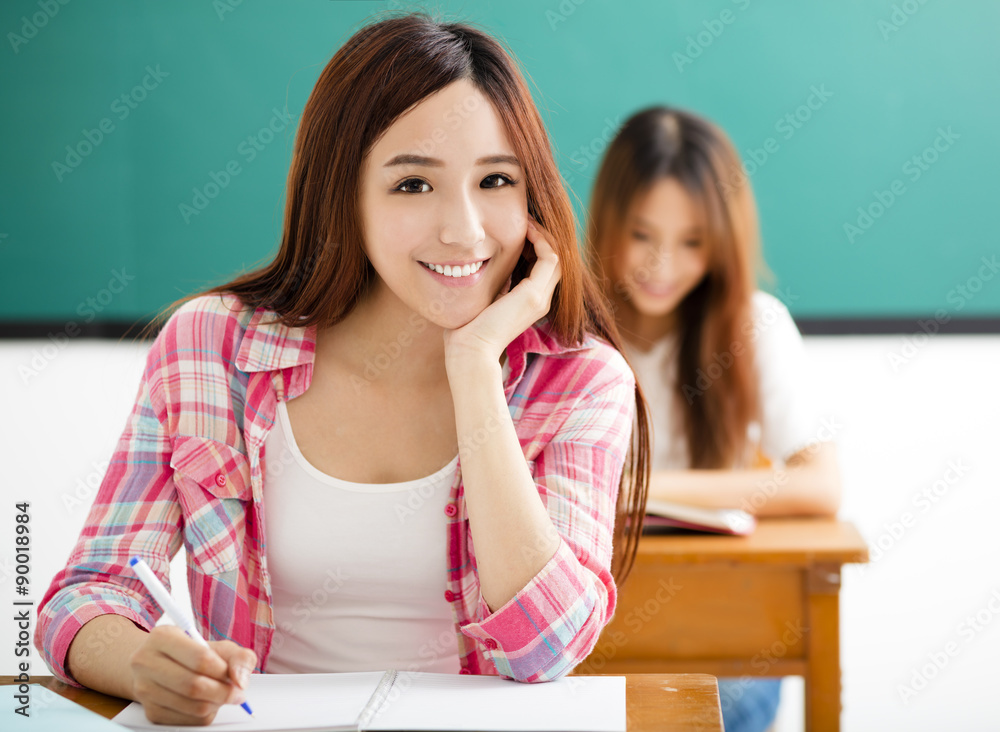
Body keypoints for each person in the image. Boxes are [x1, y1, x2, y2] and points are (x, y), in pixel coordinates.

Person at [35, 13, 651, 726]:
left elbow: (548, 647)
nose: (463, 228)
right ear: (345, 194)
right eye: (413, 185)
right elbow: (86, 597)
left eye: (494, 181)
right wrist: (144, 664)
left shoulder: (579, 380)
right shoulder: (210, 349)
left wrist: (476, 365)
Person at [584, 106, 842, 732]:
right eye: (641, 234)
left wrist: (639, 491)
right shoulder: (571, 329)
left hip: (722, 628)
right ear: (607, 221)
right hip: (592, 623)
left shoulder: (756, 326)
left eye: (692, 242)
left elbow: (821, 486)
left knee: (718, 702)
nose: (662, 264)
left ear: (722, 242)